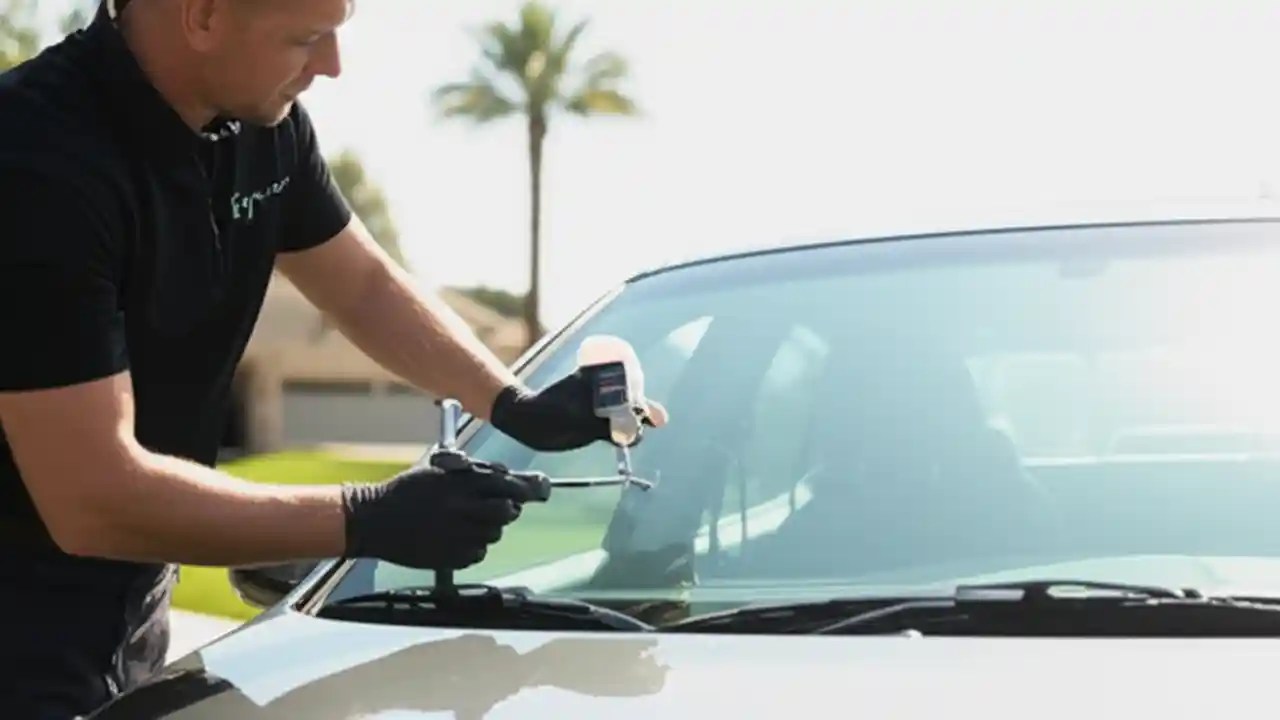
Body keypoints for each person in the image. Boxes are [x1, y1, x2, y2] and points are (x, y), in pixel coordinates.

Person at [0, 0, 666, 716]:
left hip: (125, 615)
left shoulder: (264, 132)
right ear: (201, 16)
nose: (333, 66)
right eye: (308, 38)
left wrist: (514, 404)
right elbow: (92, 500)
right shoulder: (34, 160)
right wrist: (366, 517)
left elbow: (364, 287)